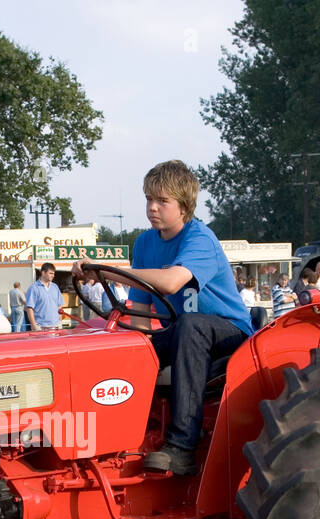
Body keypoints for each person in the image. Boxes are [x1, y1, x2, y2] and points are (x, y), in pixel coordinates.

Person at [74, 160, 252, 476]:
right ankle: (114, 436)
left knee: (191, 324)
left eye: (162, 201)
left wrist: (103, 270)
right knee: (124, 347)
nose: (152, 208)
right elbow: (139, 312)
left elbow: (171, 282)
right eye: (148, 199)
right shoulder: (145, 243)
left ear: (183, 206)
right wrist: (138, 350)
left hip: (229, 332)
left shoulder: (200, 238)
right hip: (184, 332)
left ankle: (182, 446)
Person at [24, 262, 63, 331]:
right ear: (43, 273)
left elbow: (59, 306)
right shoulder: (34, 288)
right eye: (50, 273)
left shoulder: (55, 287)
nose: (53, 275)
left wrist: (60, 322)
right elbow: (29, 308)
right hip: (41, 327)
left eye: (53, 273)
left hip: (56, 327)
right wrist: (34, 325)